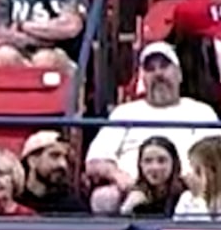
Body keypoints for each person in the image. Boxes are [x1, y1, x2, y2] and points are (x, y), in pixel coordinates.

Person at [84, 42, 221, 187]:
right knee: (104, 198)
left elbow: (216, 156)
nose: (158, 74)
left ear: (179, 74)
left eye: (164, 66)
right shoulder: (124, 113)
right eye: (150, 69)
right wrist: (117, 175)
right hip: (133, 188)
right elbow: (94, 161)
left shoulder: (201, 112)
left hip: (187, 189)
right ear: (143, 79)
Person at [18, 130, 86, 214]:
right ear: (32, 160)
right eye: (54, 156)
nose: (63, 164)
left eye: (66, 158)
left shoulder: (72, 206)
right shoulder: (15, 202)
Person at [116, 136, 185, 217]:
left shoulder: (186, 192)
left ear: (174, 163)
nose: (155, 167)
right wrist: (127, 208)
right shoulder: (132, 193)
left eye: (162, 160)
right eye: (148, 161)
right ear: (140, 164)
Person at [176, 134, 221, 219]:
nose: (192, 175)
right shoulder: (187, 198)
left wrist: (198, 200)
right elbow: (178, 229)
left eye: (197, 171)